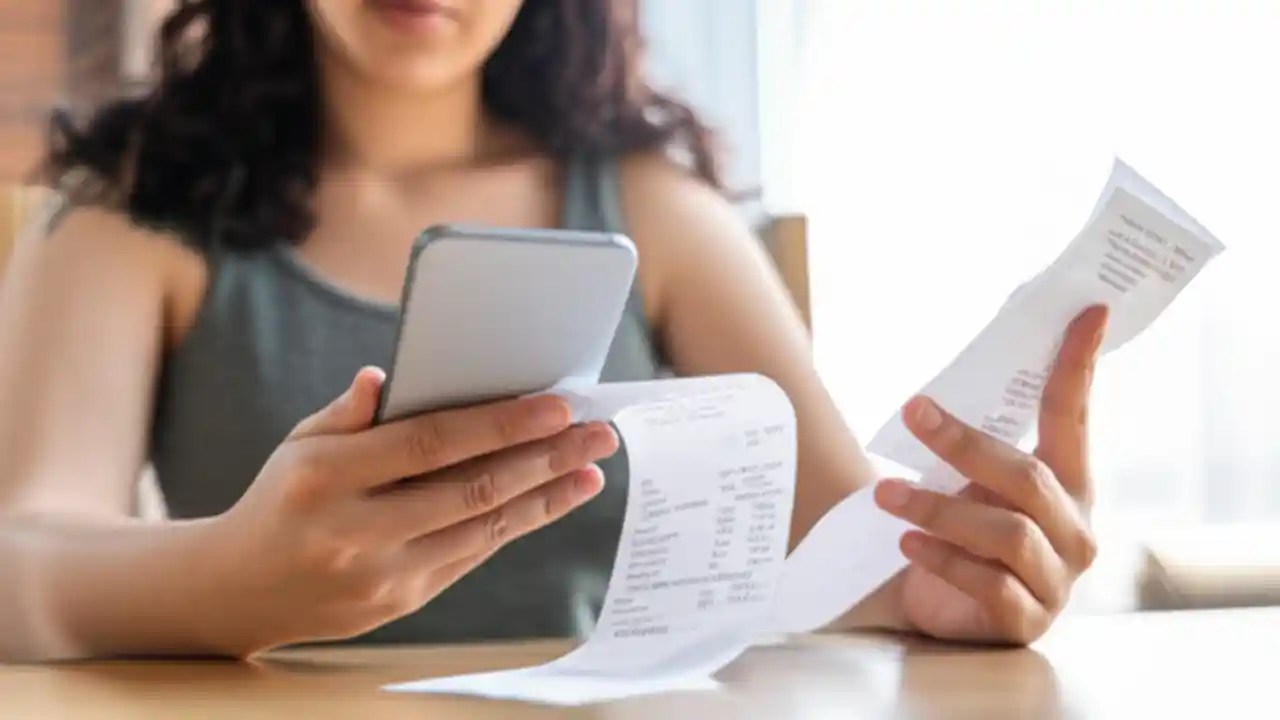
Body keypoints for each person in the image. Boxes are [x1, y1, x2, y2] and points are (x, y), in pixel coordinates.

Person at [0, 0, 1106, 662]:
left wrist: (946, 578)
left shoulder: (652, 204)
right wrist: (226, 577)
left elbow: (838, 550)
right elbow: (21, 560)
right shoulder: (129, 210)